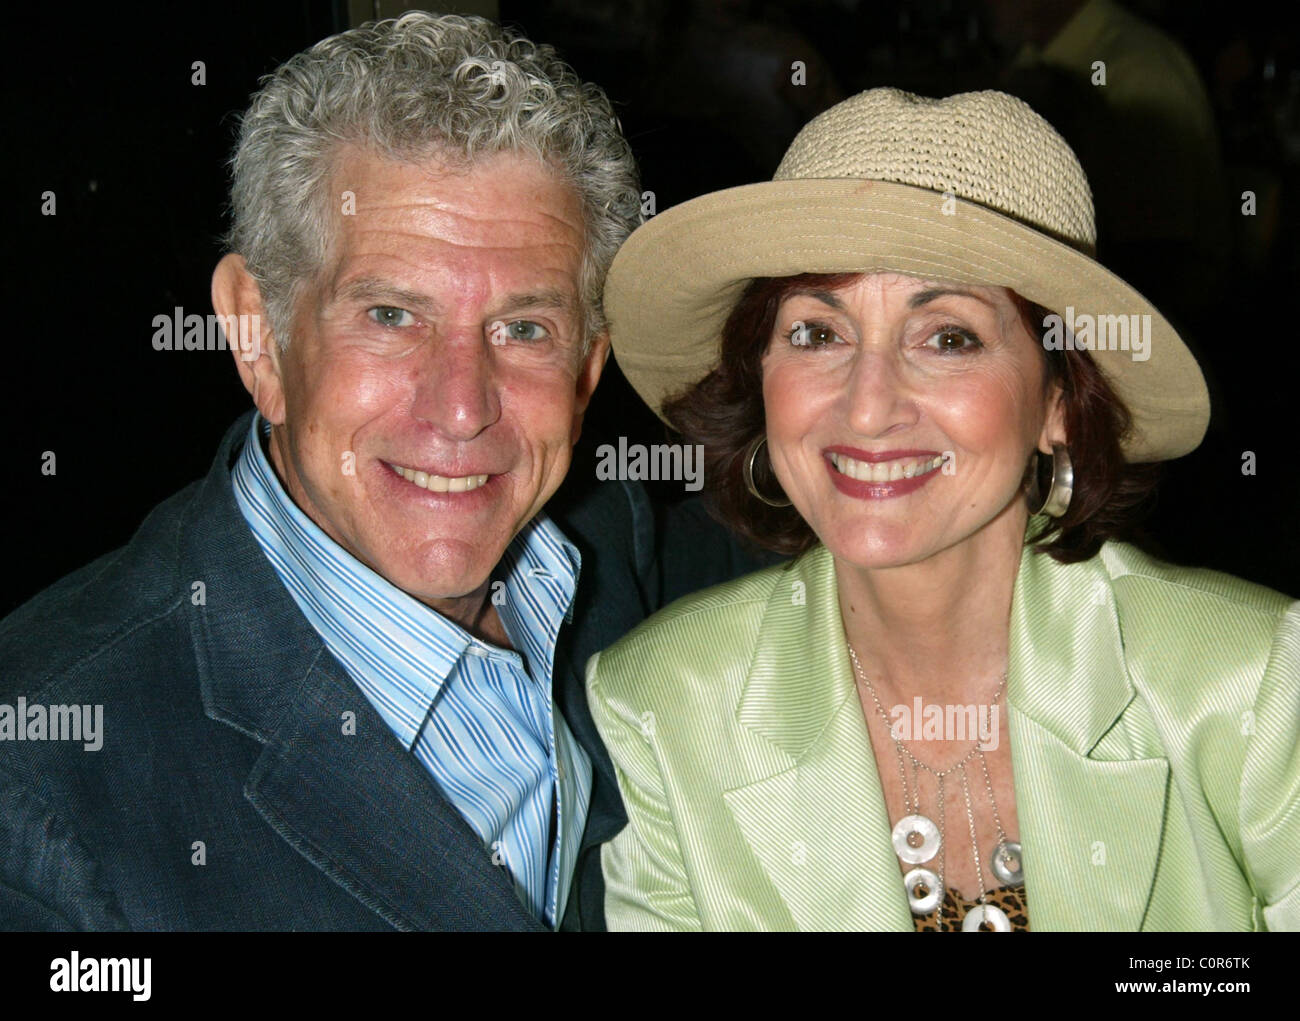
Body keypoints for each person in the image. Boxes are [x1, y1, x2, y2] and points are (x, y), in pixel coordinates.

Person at [0, 12, 763, 932]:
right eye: (392, 315)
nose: (461, 406)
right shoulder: (40, 789)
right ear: (258, 335)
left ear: (587, 371)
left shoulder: (616, 549)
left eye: (525, 328)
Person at [586, 87, 1300, 931]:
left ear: (1061, 400)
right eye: (817, 333)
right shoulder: (663, 704)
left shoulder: (1248, 687)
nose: (867, 407)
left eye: (948, 337)